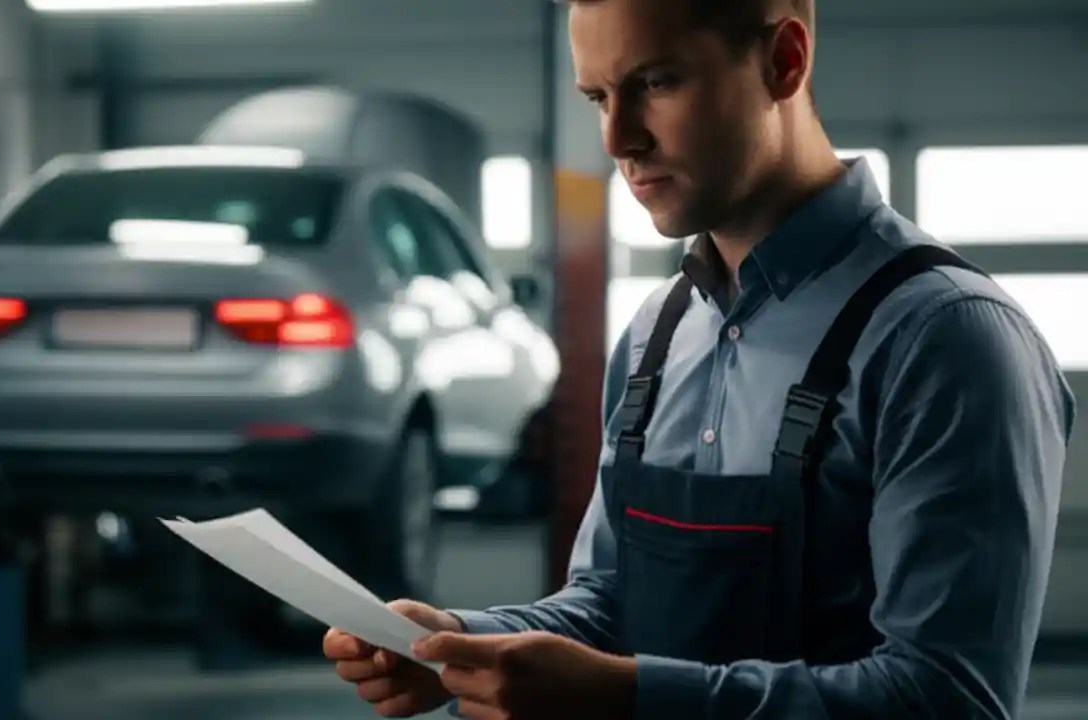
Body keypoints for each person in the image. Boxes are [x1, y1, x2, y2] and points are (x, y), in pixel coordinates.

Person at [323, 0, 1078, 716]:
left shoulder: (945, 338)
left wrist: (626, 701)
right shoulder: (658, 333)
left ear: (784, 62)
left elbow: (946, 698)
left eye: (655, 82)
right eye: (597, 97)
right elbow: (611, 596)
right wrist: (459, 641)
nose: (619, 139)